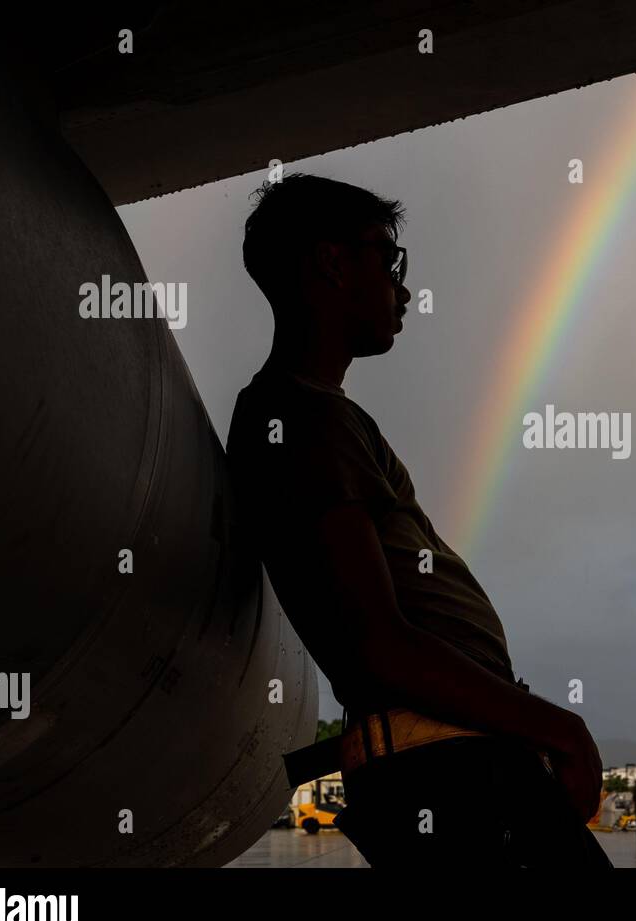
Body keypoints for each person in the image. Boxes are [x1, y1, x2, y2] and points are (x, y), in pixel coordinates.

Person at [226, 173, 611, 868]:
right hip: (451, 780)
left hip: (459, 770)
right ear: (333, 263)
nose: (403, 289)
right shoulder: (296, 419)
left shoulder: (323, 416)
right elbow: (382, 645)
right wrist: (560, 728)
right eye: (390, 258)